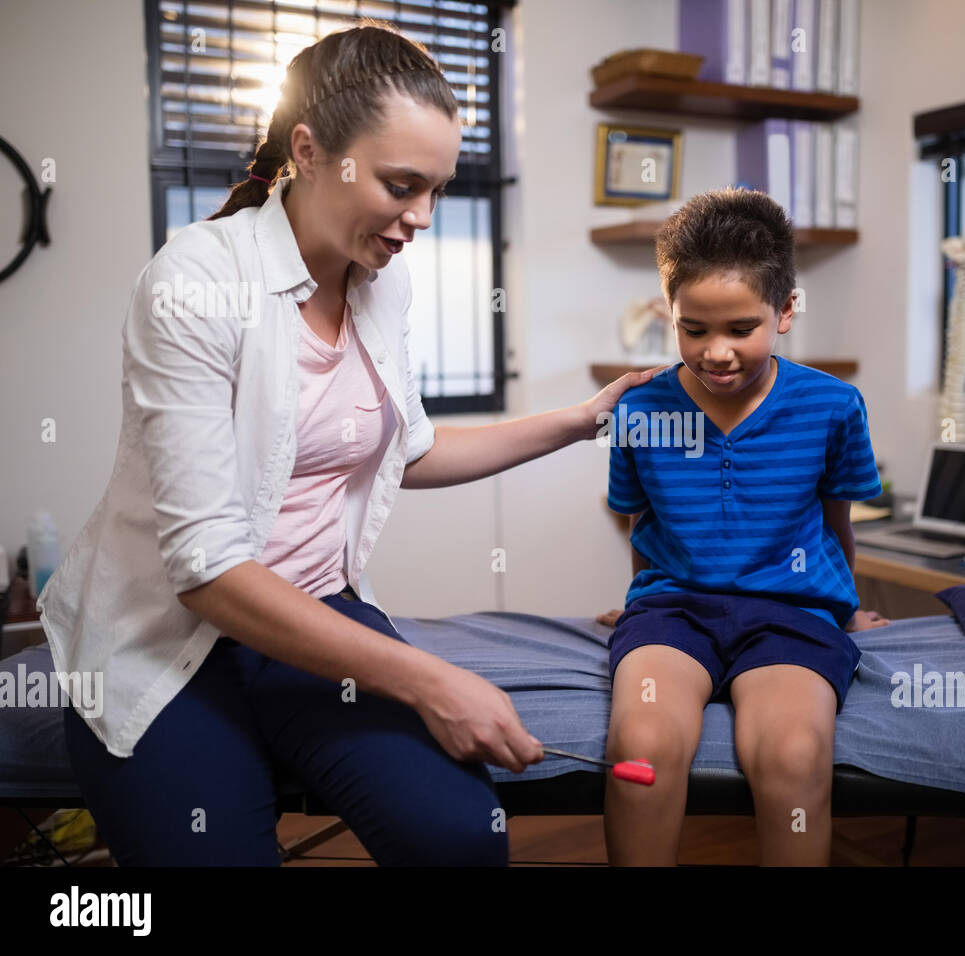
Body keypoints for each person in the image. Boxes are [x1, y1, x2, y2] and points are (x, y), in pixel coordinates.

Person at [37, 22, 658, 867]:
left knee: (459, 840)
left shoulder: (382, 284)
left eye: (439, 190)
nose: (423, 219)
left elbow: (407, 451)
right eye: (404, 185)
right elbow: (208, 570)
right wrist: (431, 677)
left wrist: (582, 419)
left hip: (317, 615)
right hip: (169, 637)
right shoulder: (196, 284)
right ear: (311, 148)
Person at [597, 187, 891, 866]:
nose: (715, 351)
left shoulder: (834, 405)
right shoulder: (642, 408)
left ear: (786, 311)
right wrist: (639, 608)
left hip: (792, 613)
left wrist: (844, 611)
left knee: (794, 753)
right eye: (693, 329)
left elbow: (835, 524)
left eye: (739, 329)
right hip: (672, 609)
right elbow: (643, 524)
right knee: (641, 747)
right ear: (670, 314)